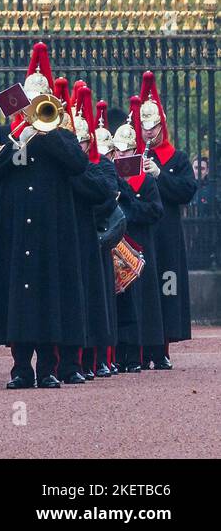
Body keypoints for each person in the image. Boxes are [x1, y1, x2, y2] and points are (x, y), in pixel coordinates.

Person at [0, 42, 89, 389]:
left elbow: (78, 163)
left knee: (49, 297)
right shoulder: (4, 135)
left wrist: (46, 134)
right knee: (19, 299)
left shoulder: (62, 136)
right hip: (15, 231)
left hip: (50, 232)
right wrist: (17, 141)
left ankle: (48, 369)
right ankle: (22, 368)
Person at [137, 72, 198, 369]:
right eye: (145, 127)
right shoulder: (133, 154)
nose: (149, 132)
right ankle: (139, 348)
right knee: (142, 289)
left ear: (162, 125)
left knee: (166, 289)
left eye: (154, 126)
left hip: (167, 234)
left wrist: (160, 175)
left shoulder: (177, 158)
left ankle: (161, 347)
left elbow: (187, 191)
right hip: (142, 231)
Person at [110, 100, 165, 373]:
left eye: (126, 151)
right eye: (117, 152)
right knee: (122, 301)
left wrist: (131, 205)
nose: (122, 156)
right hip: (118, 246)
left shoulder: (147, 180)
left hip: (140, 245)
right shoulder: (112, 176)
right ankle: (122, 354)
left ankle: (144, 352)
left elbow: (155, 211)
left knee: (144, 302)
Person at [68, 86, 119, 380]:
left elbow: (106, 197)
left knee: (97, 303)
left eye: (83, 143)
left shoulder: (101, 169)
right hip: (71, 238)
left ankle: (98, 356)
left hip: (94, 240)